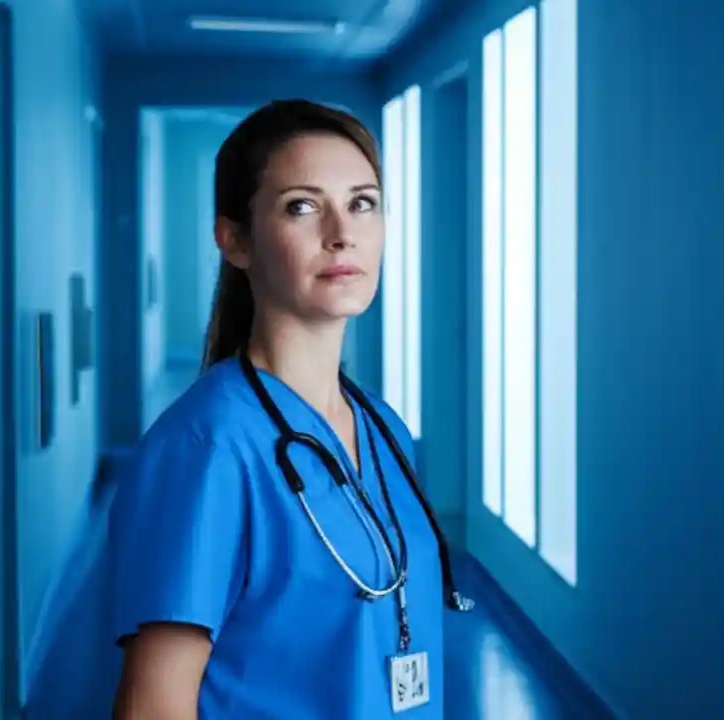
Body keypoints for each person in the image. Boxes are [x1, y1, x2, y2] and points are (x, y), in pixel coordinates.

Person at [106, 99, 468, 719]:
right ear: (235, 241)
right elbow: (153, 708)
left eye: (363, 203)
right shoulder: (207, 448)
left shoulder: (384, 430)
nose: (342, 232)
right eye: (302, 206)